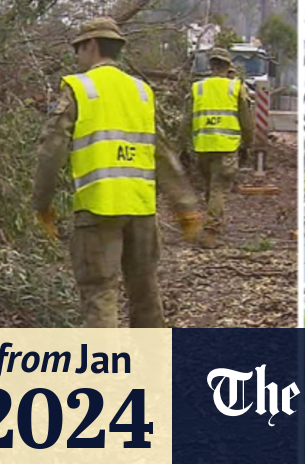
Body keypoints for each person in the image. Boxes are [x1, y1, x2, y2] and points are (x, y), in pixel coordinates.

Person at [31, 17, 202, 328]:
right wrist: (185, 206)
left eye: (78, 49)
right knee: (146, 292)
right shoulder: (141, 91)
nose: (77, 58)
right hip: (141, 209)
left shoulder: (79, 88)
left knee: (100, 294)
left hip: (98, 210)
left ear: (91, 45)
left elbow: (50, 151)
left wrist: (41, 205)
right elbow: (161, 151)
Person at [183, 48, 254, 248]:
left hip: (203, 147)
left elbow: (186, 120)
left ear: (211, 65)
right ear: (227, 66)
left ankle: (211, 223)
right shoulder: (236, 87)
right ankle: (211, 232)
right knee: (218, 190)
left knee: (210, 189)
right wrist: (248, 144)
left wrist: (183, 146)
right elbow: (246, 121)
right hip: (226, 147)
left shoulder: (198, 88)